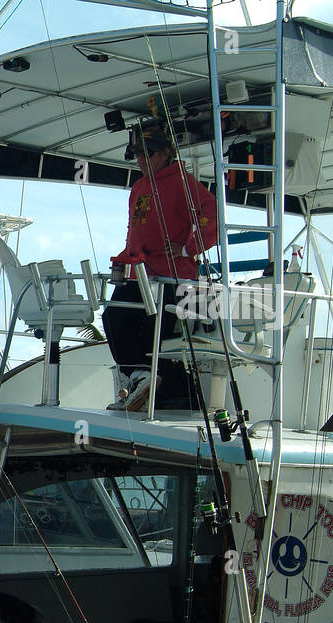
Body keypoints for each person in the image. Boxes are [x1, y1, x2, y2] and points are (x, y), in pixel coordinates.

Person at [104, 122, 218, 411]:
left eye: (149, 153)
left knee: (152, 335)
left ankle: (165, 394)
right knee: (114, 318)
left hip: (172, 276)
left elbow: (212, 211)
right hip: (141, 272)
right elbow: (135, 231)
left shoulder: (182, 181)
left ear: (167, 153)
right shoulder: (140, 186)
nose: (143, 160)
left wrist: (189, 248)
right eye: (138, 154)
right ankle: (142, 379)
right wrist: (123, 260)